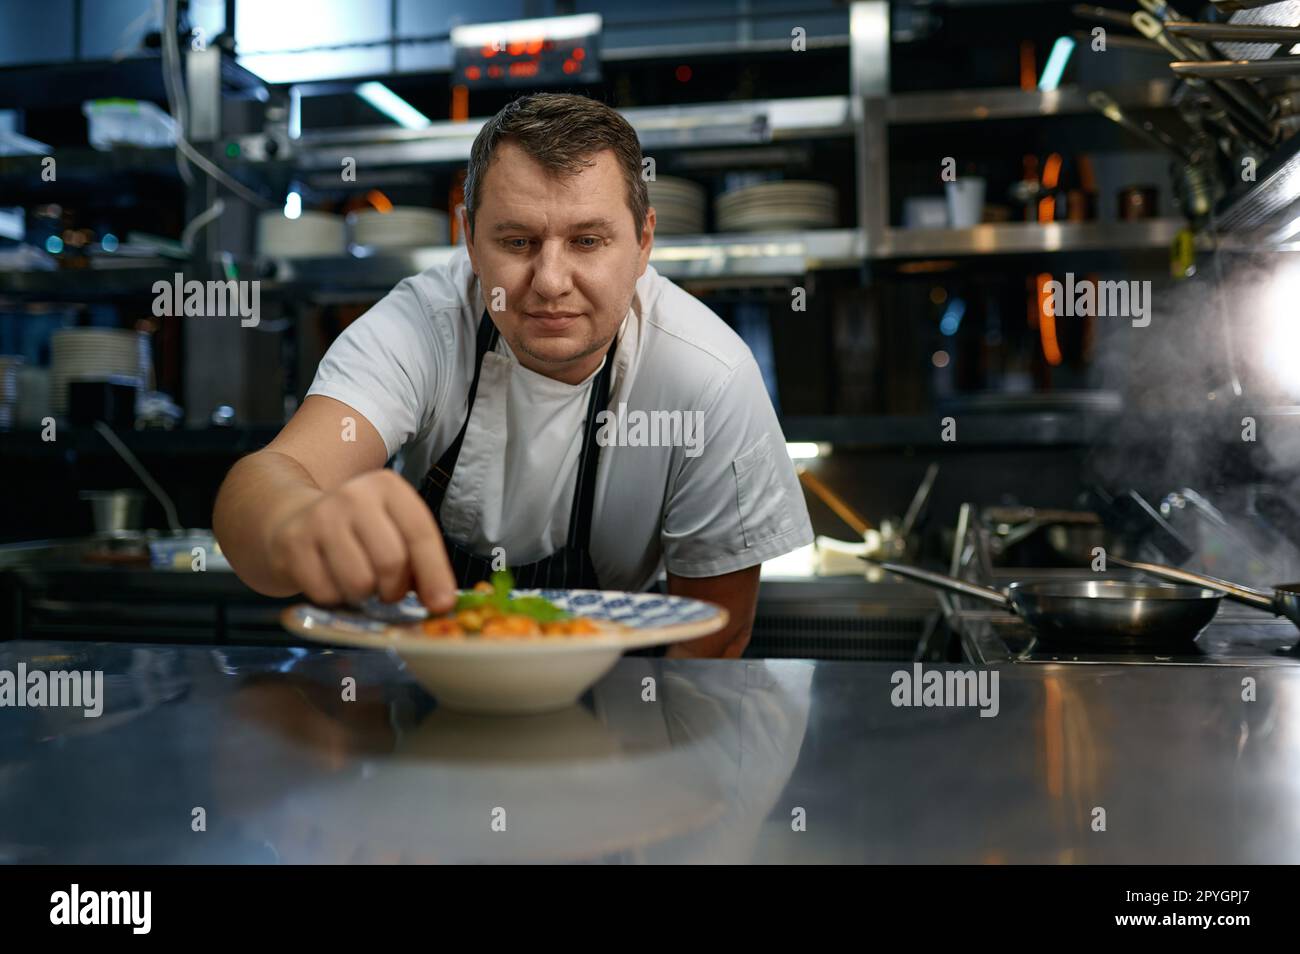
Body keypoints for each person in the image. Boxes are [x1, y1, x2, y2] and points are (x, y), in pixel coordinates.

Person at [214, 93, 812, 657]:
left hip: (625, 696)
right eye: (518, 240)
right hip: (429, 685)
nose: (550, 281)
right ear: (470, 242)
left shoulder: (708, 377)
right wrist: (297, 524)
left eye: (587, 241)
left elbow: (714, 641)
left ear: (643, 242)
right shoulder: (422, 326)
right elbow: (270, 479)